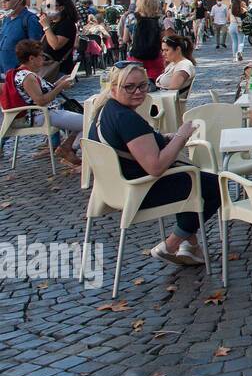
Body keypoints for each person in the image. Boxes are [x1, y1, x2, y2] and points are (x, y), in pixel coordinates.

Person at [87, 62, 219, 267]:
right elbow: (156, 167)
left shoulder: (106, 111)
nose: (138, 92)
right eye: (129, 87)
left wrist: (161, 139)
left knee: (190, 179)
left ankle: (190, 246)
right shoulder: (126, 118)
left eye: (143, 85)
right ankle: (171, 245)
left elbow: (134, 145)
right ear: (114, 88)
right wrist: (181, 136)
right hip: (141, 190)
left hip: (113, 189)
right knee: (214, 186)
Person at [8, 38, 82, 167]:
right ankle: (69, 149)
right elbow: (40, 100)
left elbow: (41, 93)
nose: (43, 60)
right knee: (89, 122)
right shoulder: (27, 77)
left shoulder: (25, 74)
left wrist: (58, 83)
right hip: (41, 115)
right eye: (41, 57)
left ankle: (67, 148)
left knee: (85, 120)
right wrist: (60, 87)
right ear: (31, 58)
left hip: (44, 113)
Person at [37, 0, 79, 81]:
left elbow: (56, 45)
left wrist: (46, 27)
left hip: (58, 68)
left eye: (49, 6)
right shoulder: (52, 23)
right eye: (44, 5)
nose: (45, 9)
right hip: (46, 65)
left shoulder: (67, 24)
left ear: (61, 8)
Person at [1, 0, 44, 73]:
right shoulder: (6, 19)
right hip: (3, 71)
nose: (3, 1)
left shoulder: (30, 19)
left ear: (19, 1)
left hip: (18, 72)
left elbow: (35, 46)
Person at [129, 0, 165, 82]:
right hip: (155, 56)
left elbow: (125, 38)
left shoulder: (132, 18)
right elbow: (164, 40)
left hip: (135, 56)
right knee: (155, 85)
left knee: (136, 85)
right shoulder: (159, 20)